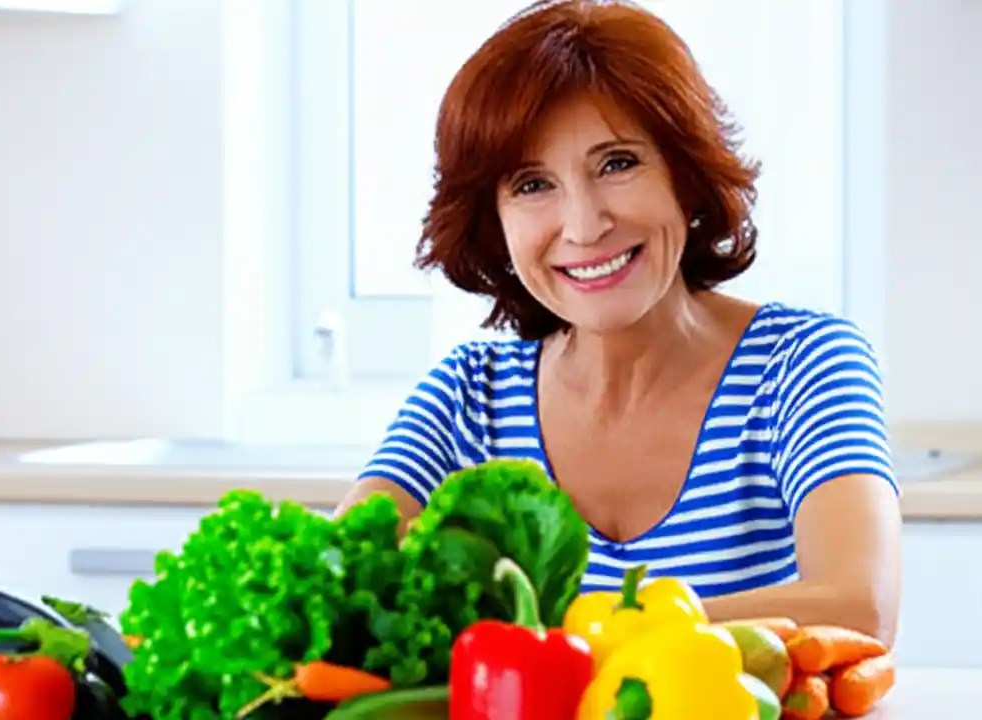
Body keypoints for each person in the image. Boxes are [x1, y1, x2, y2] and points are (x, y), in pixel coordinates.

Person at [335, 0, 902, 645]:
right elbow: (336, 595)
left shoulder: (803, 363)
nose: (584, 226)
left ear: (684, 178)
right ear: (495, 222)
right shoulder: (468, 397)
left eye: (617, 164)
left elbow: (860, 609)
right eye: (530, 185)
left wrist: (573, 633)